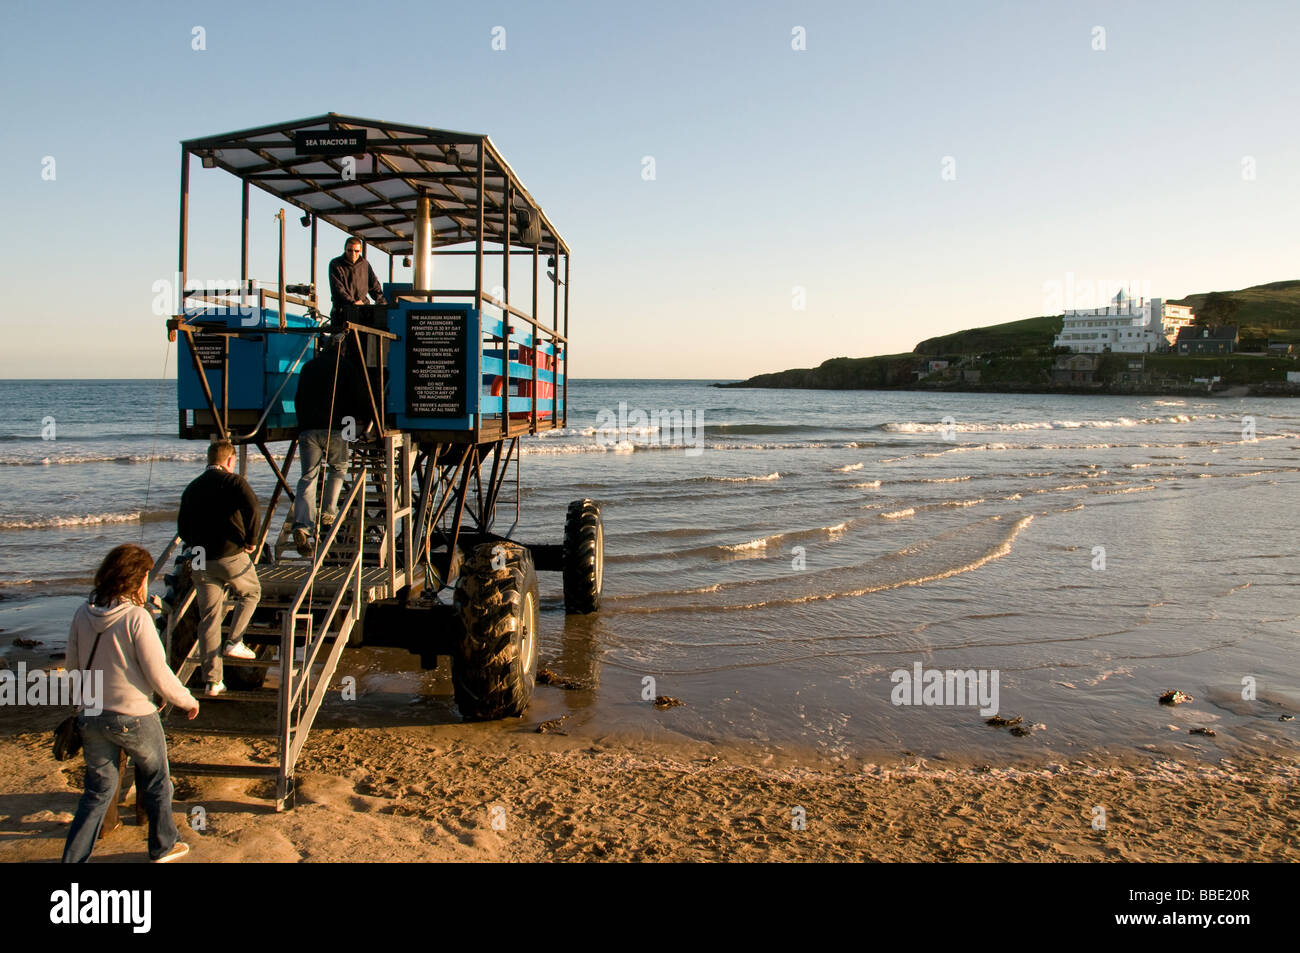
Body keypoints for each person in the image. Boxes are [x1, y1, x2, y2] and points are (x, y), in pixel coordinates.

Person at [62, 544, 199, 863]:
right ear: (134, 579)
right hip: (134, 715)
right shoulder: (137, 618)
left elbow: (71, 667)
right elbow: (157, 672)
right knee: (157, 780)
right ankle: (163, 845)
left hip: (92, 713)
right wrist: (186, 700)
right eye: (146, 576)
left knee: (96, 793)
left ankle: (73, 859)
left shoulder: (82, 613)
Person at [177, 439, 261, 696]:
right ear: (229, 461)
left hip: (200, 558)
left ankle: (213, 681)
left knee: (209, 617)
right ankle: (234, 641)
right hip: (229, 554)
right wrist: (251, 541)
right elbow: (253, 507)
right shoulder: (234, 482)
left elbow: (182, 529)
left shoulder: (192, 487)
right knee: (252, 592)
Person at [292, 334, 373, 554]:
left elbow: (298, 398)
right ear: (343, 350)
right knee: (338, 469)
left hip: (308, 429)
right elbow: (357, 397)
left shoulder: (308, 366)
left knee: (308, 476)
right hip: (335, 428)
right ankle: (328, 512)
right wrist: (366, 420)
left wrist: (302, 423)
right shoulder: (346, 367)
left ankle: (302, 524)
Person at [328, 237, 386, 324]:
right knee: (342, 336)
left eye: (356, 251)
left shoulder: (365, 264)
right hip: (342, 312)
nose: (353, 254)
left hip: (363, 312)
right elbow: (337, 288)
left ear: (360, 251)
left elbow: (374, 286)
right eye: (350, 250)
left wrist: (381, 302)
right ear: (345, 249)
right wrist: (352, 302)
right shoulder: (335, 264)